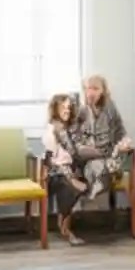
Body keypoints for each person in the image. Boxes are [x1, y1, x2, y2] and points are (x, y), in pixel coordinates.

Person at [76, 75, 132, 199]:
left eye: (95, 89)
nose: (91, 92)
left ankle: (102, 182)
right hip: (88, 155)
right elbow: (74, 134)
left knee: (94, 167)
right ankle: (94, 184)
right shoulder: (82, 109)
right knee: (82, 161)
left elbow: (121, 133)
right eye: (88, 88)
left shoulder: (110, 108)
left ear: (103, 91)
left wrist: (124, 143)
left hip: (107, 154)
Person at [43, 94, 88, 245]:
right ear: (55, 109)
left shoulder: (71, 129)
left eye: (69, 107)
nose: (67, 111)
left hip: (70, 168)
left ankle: (64, 222)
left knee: (83, 180)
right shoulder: (52, 130)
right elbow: (48, 158)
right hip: (55, 171)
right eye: (63, 107)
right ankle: (65, 228)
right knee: (69, 184)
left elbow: (77, 152)